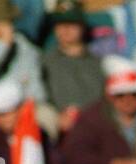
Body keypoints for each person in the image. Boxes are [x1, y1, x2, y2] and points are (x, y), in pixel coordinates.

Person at [41, 0, 103, 130]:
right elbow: (39, 99)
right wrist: (56, 117)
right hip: (60, 130)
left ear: (82, 26)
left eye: (71, 24)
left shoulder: (99, 63)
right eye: (60, 24)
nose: (65, 29)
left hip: (96, 129)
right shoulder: (44, 62)